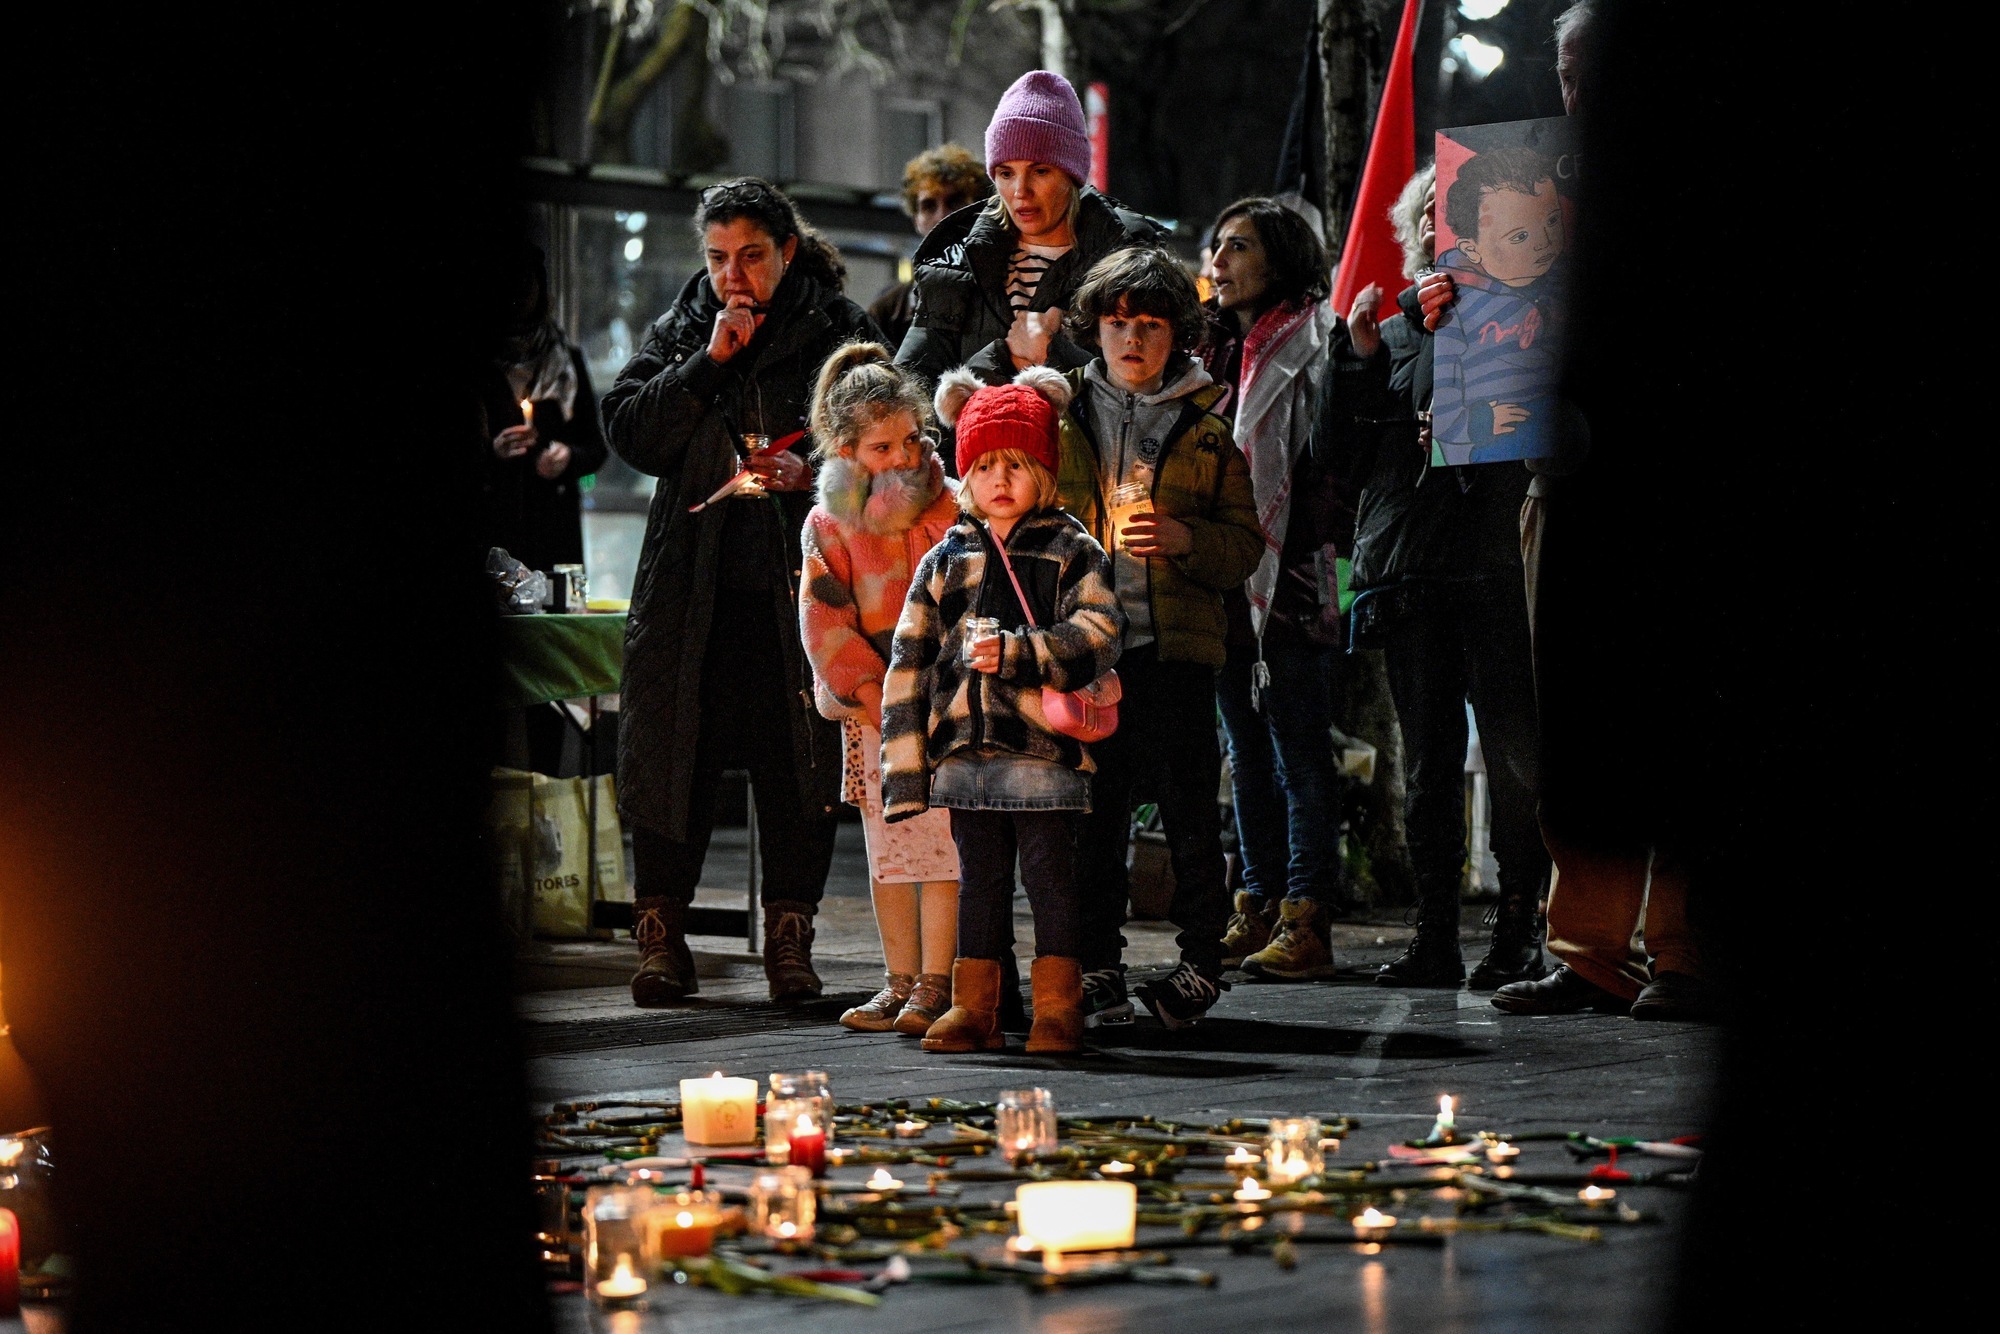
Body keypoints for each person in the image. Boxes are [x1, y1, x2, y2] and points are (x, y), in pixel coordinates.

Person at [601, 178, 882, 1007]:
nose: (734, 275)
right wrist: (708, 361)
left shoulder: (837, 328)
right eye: (720, 257)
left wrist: (817, 477)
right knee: (671, 755)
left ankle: (790, 944)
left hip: (801, 592)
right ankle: (662, 939)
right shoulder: (688, 323)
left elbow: (890, 447)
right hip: (692, 587)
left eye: (751, 256)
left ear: (786, 251)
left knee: (798, 762)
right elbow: (630, 429)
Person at [1313, 163, 1551, 992]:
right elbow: (1338, 458)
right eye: (1423, 220)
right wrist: (1363, 361)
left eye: (1447, 222)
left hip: (1492, 561)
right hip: (1417, 568)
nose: (1432, 234)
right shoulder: (1396, 326)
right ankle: (1435, 935)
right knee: (1429, 763)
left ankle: (1520, 926)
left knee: (1518, 754)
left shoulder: (1523, 320)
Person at [1048, 247, 1264, 1029]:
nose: (1132, 341)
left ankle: (1202, 961)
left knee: (1187, 812)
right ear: (1093, 330)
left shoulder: (1206, 428)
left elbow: (1244, 544)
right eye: (1116, 325)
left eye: (1149, 325)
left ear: (1179, 334)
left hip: (1175, 650)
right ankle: (1097, 962)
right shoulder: (1060, 411)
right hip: (1088, 652)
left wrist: (1183, 537)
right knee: (1092, 815)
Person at [879, 369, 1124, 1055]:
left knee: (1049, 877)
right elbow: (910, 664)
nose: (1000, 479)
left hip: (1041, 748)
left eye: (1016, 463)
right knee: (978, 881)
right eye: (984, 464)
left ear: (1043, 469)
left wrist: (1021, 652)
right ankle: (974, 1007)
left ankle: (1058, 1008)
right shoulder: (944, 559)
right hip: (965, 752)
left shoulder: (1072, 547)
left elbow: (1103, 633)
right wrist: (906, 772)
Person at [1200, 199, 1372, 981]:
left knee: (1300, 753)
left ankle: (1309, 918)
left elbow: (1337, 464)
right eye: (1215, 246)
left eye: (1237, 246)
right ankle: (1258, 902)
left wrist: (1301, 545)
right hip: (1227, 577)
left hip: (1295, 575)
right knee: (1244, 751)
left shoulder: (1317, 342)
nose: (1218, 260)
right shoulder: (1212, 347)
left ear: (1282, 258)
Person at [797, 343, 963, 1035]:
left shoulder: (949, 506)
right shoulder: (828, 525)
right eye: (880, 445)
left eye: (909, 440)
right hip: (875, 714)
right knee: (889, 847)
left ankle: (937, 982)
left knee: (944, 846)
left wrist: (938, 692)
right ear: (845, 447)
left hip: (946, 707)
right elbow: (825, 620)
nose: (900, 457)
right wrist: (872, 697)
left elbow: (969, 595)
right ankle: (897, 979)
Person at [895, 70, 1161, 396]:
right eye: (1006, 173)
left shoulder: (1129, 256)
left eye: (1040, 171)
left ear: (1072, 174)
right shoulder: (956, 259)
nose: (1021, 191)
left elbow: (1151, 395)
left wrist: (1053, 352)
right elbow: (911, 393)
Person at [1428, 148, 1570, 463]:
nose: (1545, 241)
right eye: (1519, 236)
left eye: (1552, 220)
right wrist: (1476, 423)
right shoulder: (1454, 303)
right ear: (1471, 249)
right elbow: (1446, 394)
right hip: (1501, 445)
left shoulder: (1564, 281)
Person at [480, 244, 608, 576]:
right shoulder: (478, 369)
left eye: (529, 282)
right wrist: (491, 453)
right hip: (494, 531)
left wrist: (568, 457)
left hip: (554, 531)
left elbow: (595, 449)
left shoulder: (566, 360)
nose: (521, 293)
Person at [869, 144, 994, 352]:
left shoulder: (1007, 290)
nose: (942, 216)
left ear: (979, 210)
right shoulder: (888, 310)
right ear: (916, 219)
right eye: (929, 206)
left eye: (955, 202)